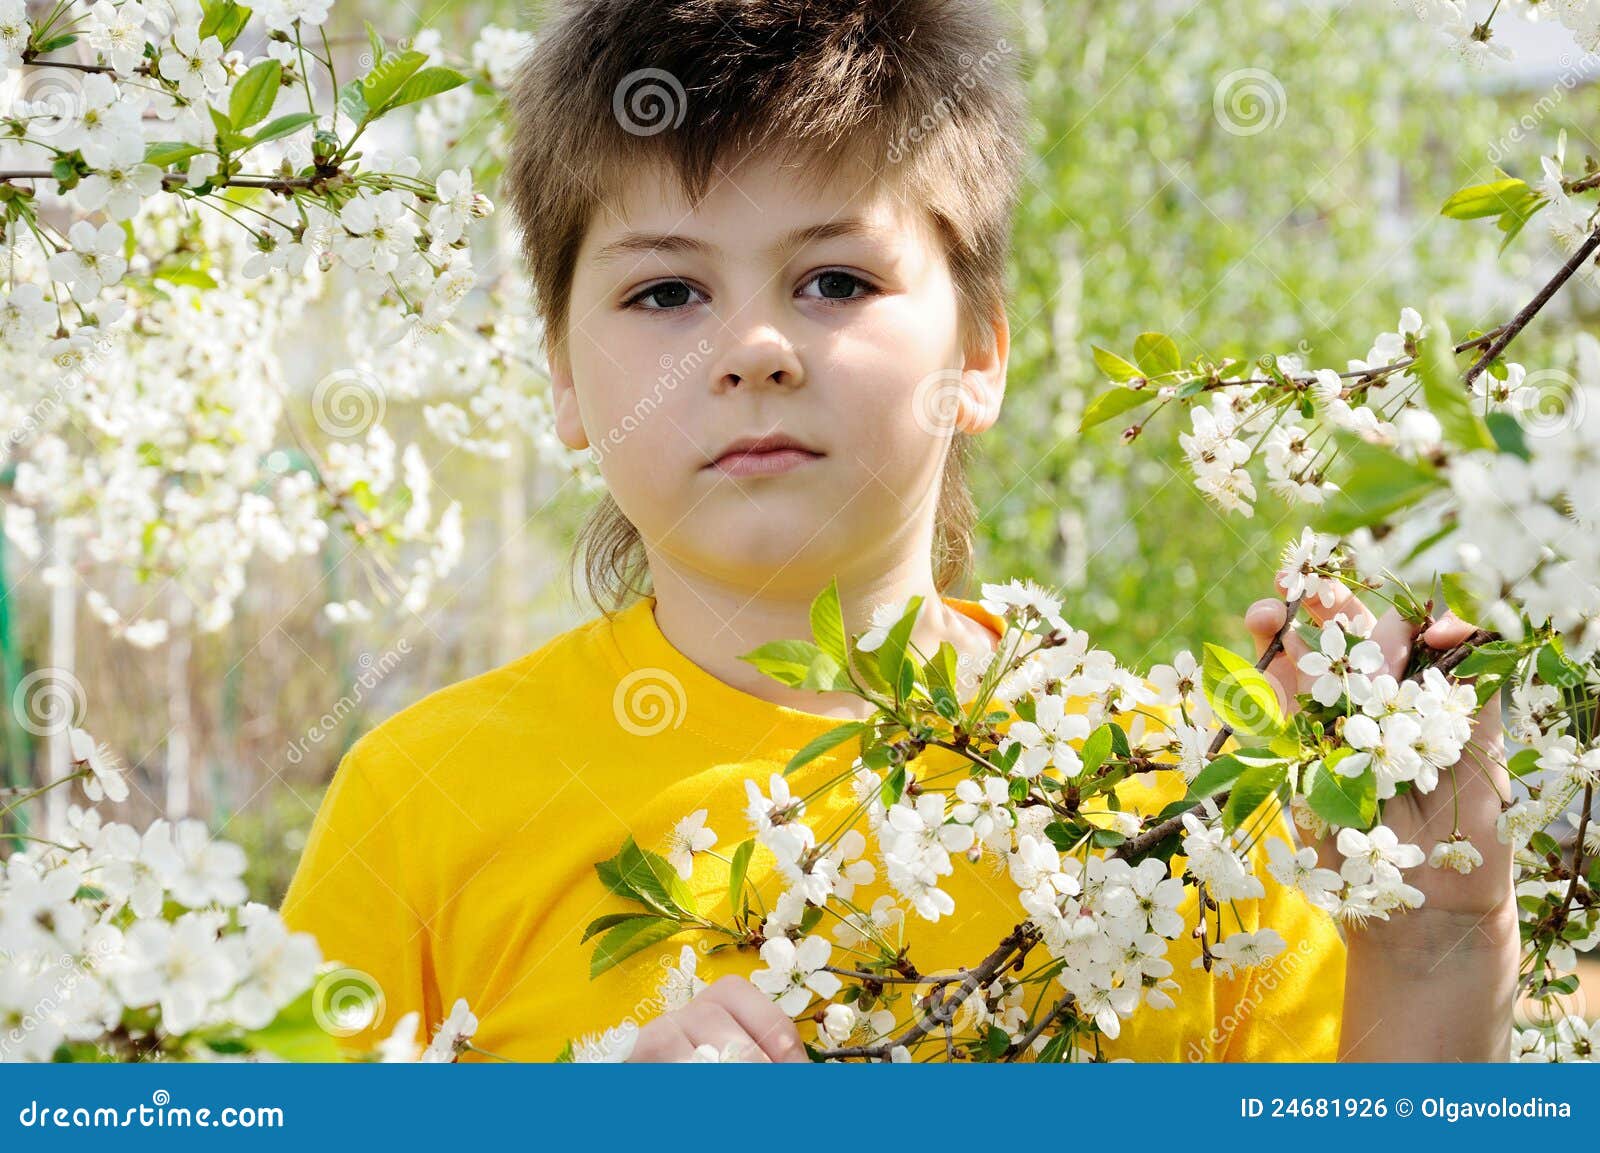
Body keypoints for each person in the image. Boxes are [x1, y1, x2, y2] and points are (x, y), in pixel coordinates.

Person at [280, 0, 1514, 1063]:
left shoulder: (1179, 791)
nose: (756, 350)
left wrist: (1434, 949)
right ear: (561, 376)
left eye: (836, 281)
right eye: (667, 291)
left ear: (977, 351)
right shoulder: (421, 801)